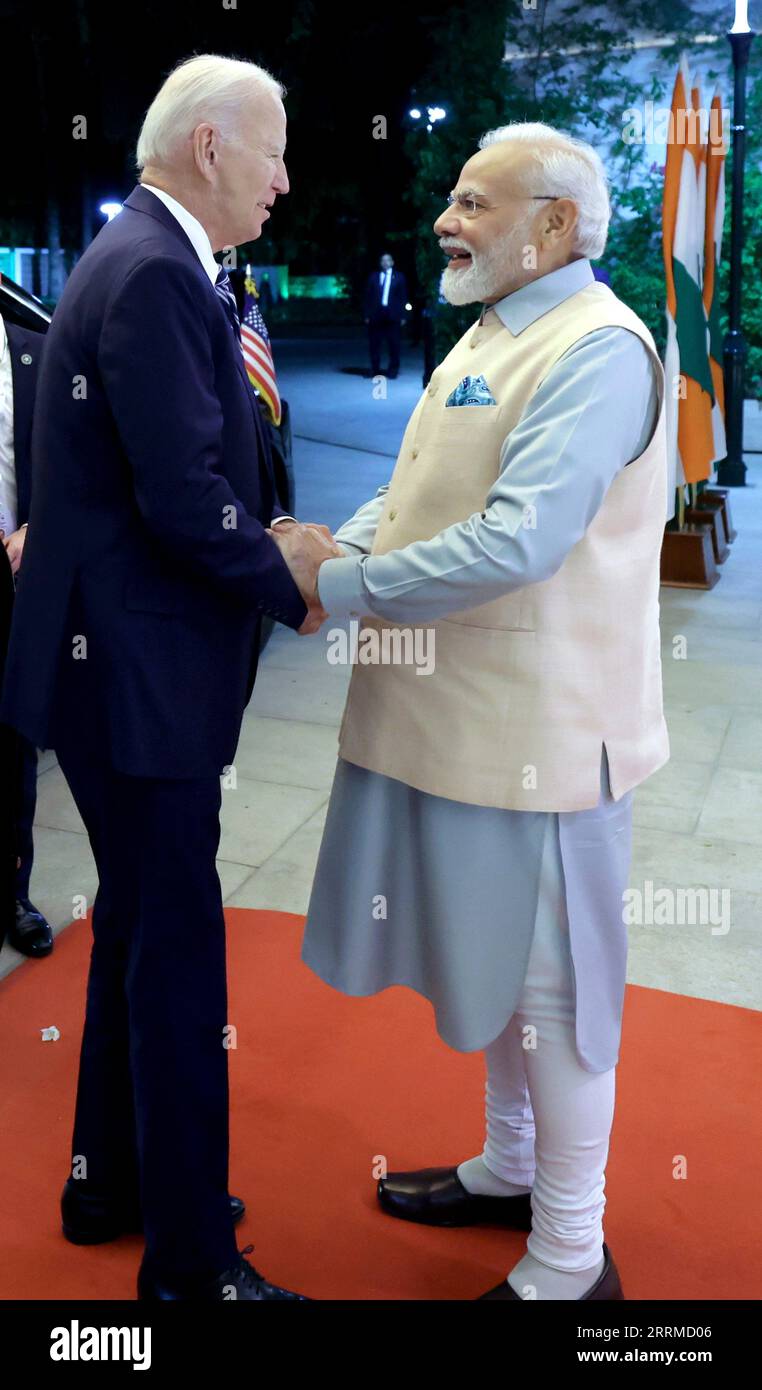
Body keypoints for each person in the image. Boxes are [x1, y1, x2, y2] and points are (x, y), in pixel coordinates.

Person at [272, 122, 669, 1302]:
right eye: (453, 199)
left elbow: (519, 540)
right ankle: (508, 1172)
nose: (446, 219)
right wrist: (337, 545)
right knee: (494, 972)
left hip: (542, 739)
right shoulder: (497, 331)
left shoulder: (599, 348)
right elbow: (413, 489)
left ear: (555, 225)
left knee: (557, 998)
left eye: (473, 202)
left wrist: (331, 588)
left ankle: (569, 1256)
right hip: (455, 725)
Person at [0, 53, 339, 1302]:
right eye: (273, 151)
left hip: (116, 666)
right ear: (209, 144)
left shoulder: (145, 255)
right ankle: (192, 1266)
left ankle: (112, 1183)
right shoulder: (152, 270)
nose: (286, 179)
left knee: (140, 929)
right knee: (180, 954)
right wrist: (289, 579)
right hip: (135, 678)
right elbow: (188, 497)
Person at [0, 313, 53, 958]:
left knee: (13, 746)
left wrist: (43, 527)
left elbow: (76, 467)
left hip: (16, 581)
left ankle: (14, 891)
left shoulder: (38, 352)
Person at [363, 252, 408, 378]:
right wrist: (367, 314)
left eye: (388, 260)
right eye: (383, 260)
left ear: (392, 262)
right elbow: (367, 297)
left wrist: (403, 316)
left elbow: (403, 297)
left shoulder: (399, 277)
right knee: (374, 344)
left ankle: (393, 370)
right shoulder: (374, 277)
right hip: (376, 315)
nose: (385, 262)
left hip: (393, 315)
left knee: (394, 344)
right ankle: (374, 369)